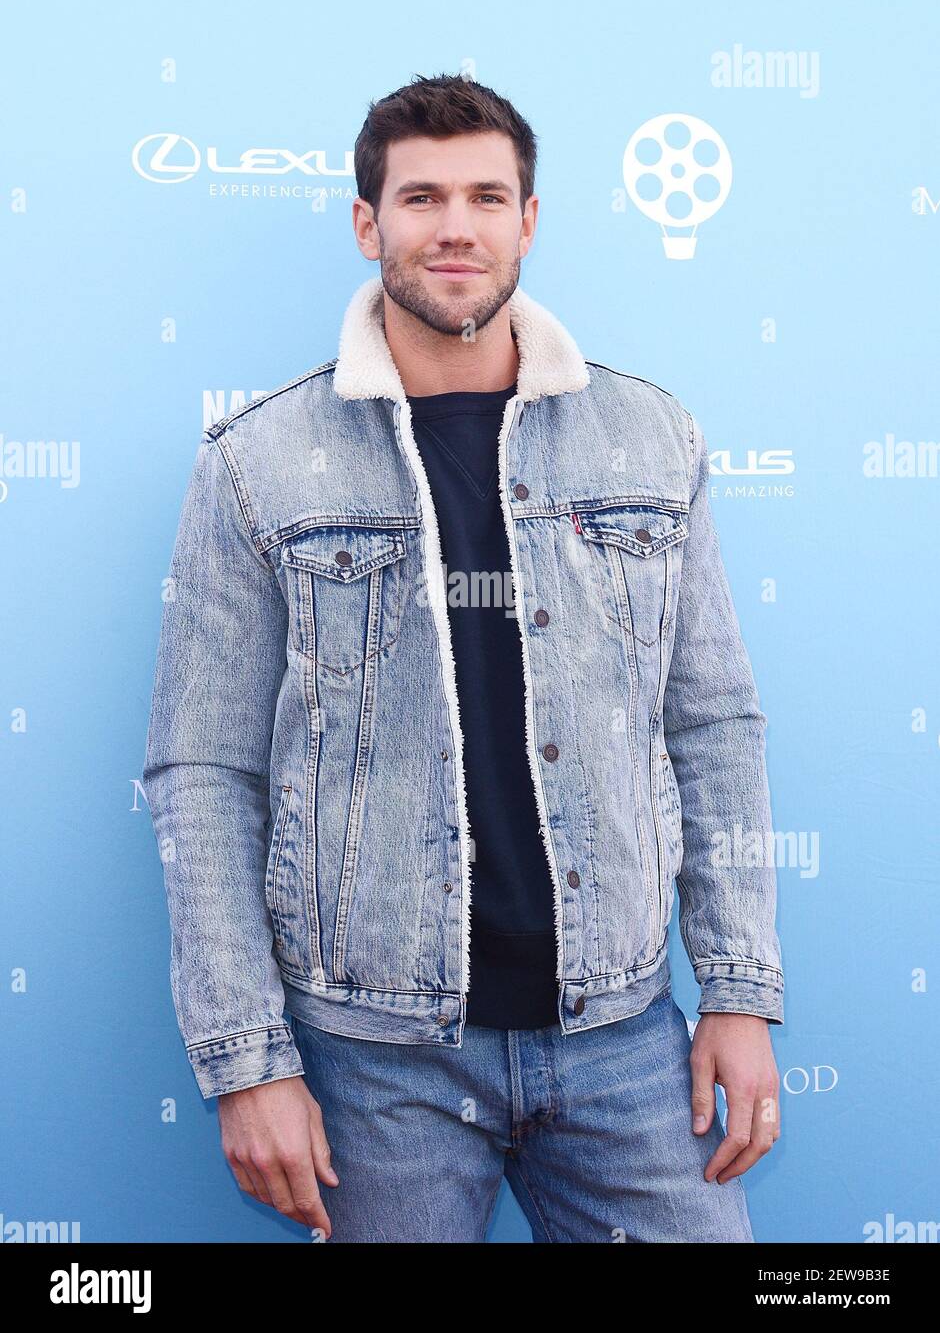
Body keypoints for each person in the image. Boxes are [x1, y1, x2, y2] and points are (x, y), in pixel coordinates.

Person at [141, 73, 784, 1243]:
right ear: (366, 223)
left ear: (528, 221)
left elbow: (713, 725)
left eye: (488, 195)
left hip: (623, 1035)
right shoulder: (257, 463)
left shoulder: (650, 436)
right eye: (421, 196)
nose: (456, 227)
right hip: (375, 1057)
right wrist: (246, 1059)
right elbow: (202, 771)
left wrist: (737, 990)